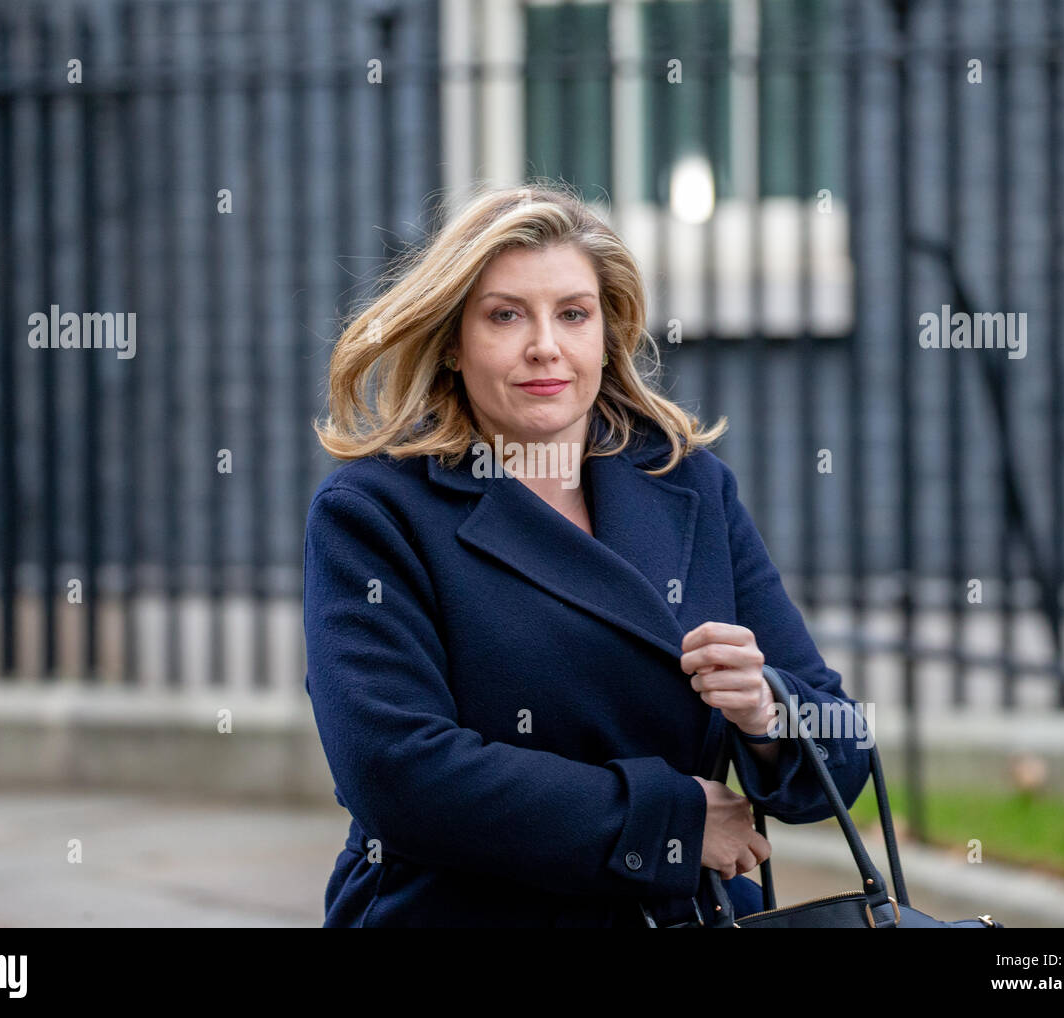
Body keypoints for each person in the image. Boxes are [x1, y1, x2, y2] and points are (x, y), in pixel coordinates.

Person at [302, 181, 872, 927]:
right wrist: (668, 821)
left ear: (607, 333)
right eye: (506, 316)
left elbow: (842, 745)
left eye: (573, 314)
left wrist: (765, 712)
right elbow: (395, 771)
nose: (546, 344)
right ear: (450, 342)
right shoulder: (376, 511)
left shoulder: (688, 483)